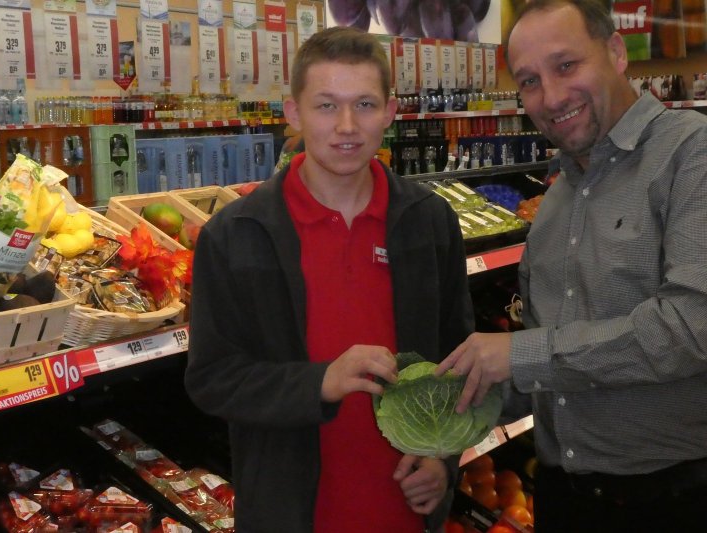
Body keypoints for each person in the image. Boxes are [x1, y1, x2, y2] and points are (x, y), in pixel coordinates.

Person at [185, 26, 474, 532]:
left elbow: (456, 362)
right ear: (293, 113)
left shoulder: (429, 223)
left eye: (364, 104)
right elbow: (213, 379)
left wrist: (442, 459)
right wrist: (320, 382)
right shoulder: (237, 235)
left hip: (405, 512)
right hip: (289, 514)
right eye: (326, 106)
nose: (347, 126)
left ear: (389, 111)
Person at [435, 0, 707, 531]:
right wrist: (442, 433)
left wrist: (519, 353)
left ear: (615, 52)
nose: (552, 97)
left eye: (566, 66)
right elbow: (545, 366)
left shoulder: (690, 156)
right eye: (530, 80)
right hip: (566, 498)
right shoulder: (557, 201)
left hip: (673, 499)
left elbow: (691, 327)